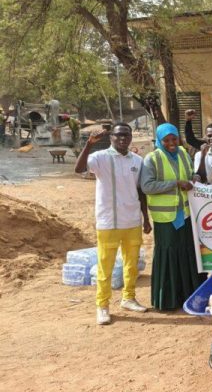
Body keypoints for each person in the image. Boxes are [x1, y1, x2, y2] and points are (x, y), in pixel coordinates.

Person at [74, 123, 151, 325]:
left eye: (126, 135)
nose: (123, 139)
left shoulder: (137, 160)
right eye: (119, 136)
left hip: (132, 220)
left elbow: (141, 191)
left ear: (131, 137)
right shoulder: (100, 158)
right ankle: (102, 306)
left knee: (131, 265)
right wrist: (89, 144)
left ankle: (128, 298)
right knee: (105, 267)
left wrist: (146, 218)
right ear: (112, 138)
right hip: (108, 221)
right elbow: (79, 169)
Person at [140, 123, 206, 311]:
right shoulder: (151, 159)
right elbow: (147, 186)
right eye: (166, 140)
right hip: (166, 218)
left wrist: (195, 178)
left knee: (187, 253)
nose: (171, 143)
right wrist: (176, 183)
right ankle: (169, 299)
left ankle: (189, 295)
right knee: (168, 254)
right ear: (159, 141)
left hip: (185, 215)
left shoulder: (184, 154)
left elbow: (190, 173)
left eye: (174, 139)